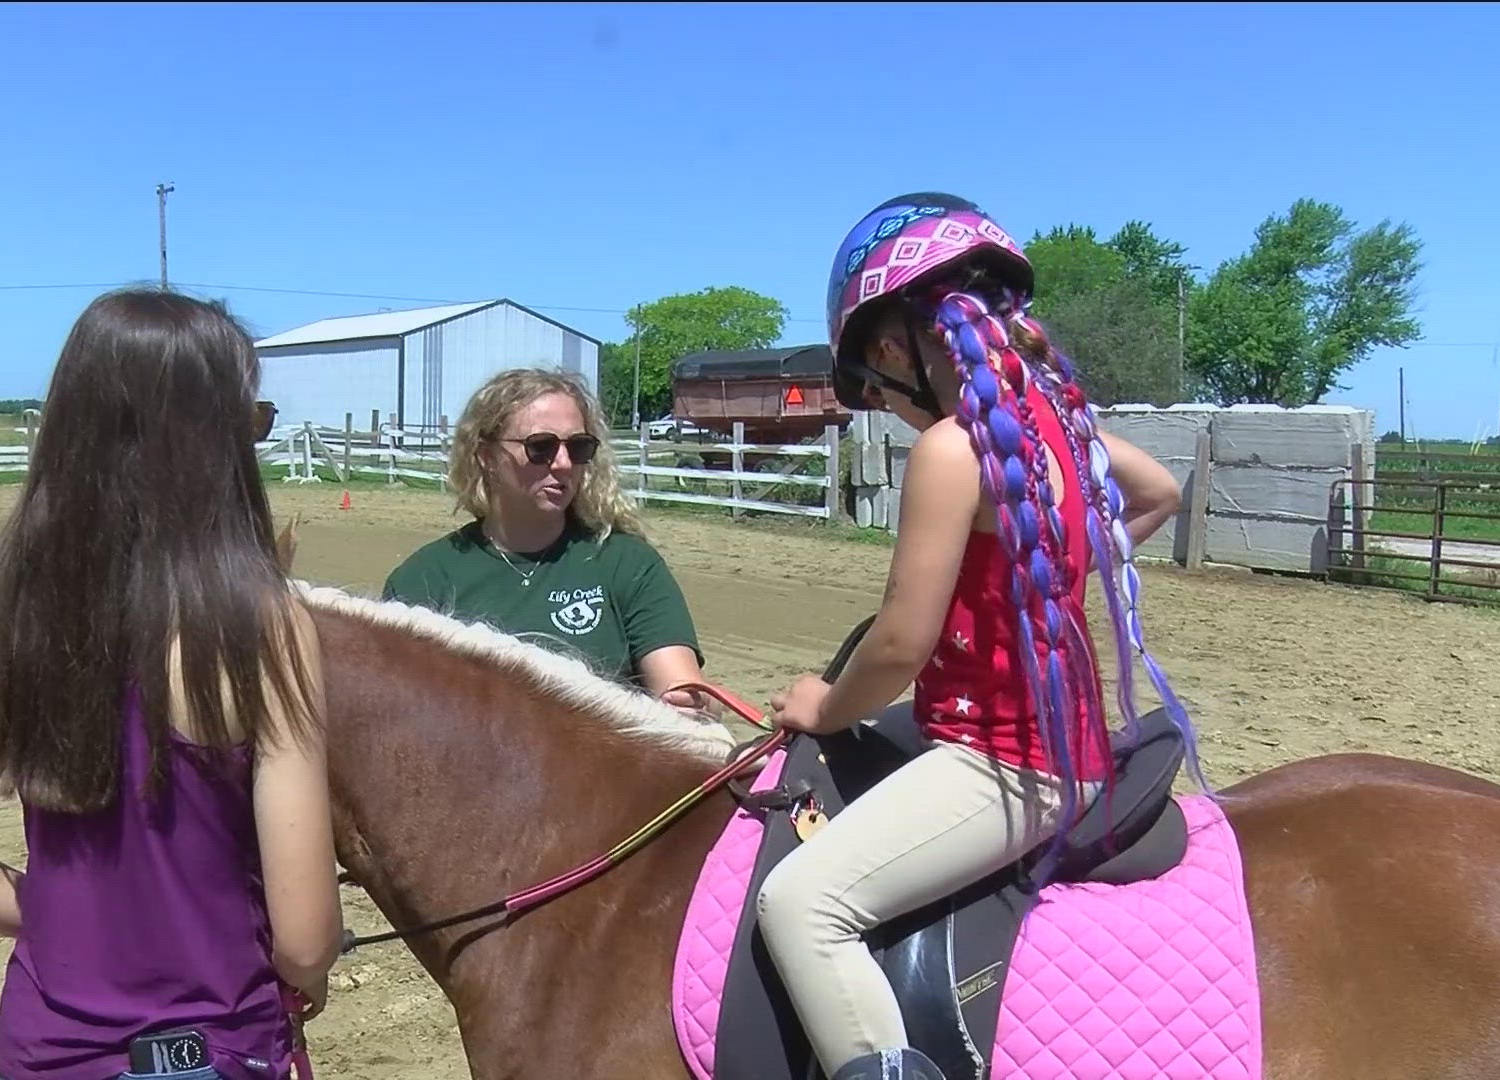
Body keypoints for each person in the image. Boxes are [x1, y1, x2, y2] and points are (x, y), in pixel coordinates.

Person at [755, 194, 1208, 1080]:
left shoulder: (952, 450)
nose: (886, 406)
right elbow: (1159, 492)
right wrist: (1055, 565)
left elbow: (898, 646)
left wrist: (822, 704)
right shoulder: (1056, 430)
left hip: (1008, 763)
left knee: (802, 905)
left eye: (875, 387)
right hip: (1049, 738)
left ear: (895, 349)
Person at [0, 289, 342, 1080]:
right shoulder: (266, 629)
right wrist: (302, 971)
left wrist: (80, 925)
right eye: (252, 420)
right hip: (212, 1045)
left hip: (48, 1048)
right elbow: (306, 941)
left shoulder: (11, 616)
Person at [381, 367, 711, 710]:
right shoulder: (423, 581)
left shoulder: (627, 564)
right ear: (486, 456)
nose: (564, 463)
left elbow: (682, 688)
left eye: (579, 447)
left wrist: (692, 703)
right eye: (541, 447)